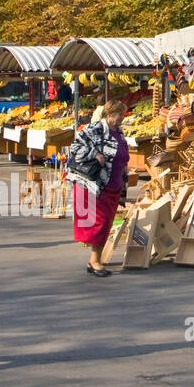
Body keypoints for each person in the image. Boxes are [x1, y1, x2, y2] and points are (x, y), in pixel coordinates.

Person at [67, 99, 129, 278]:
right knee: (99, 223)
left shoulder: (119, 132)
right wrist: (94, 154)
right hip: (95, 185)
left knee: (106, 224)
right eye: (119, 114)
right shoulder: (95, 129)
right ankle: (94, 261)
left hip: (114, 185)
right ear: (109, 115)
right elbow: (75, 148)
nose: (122, 118)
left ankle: (94, 260)